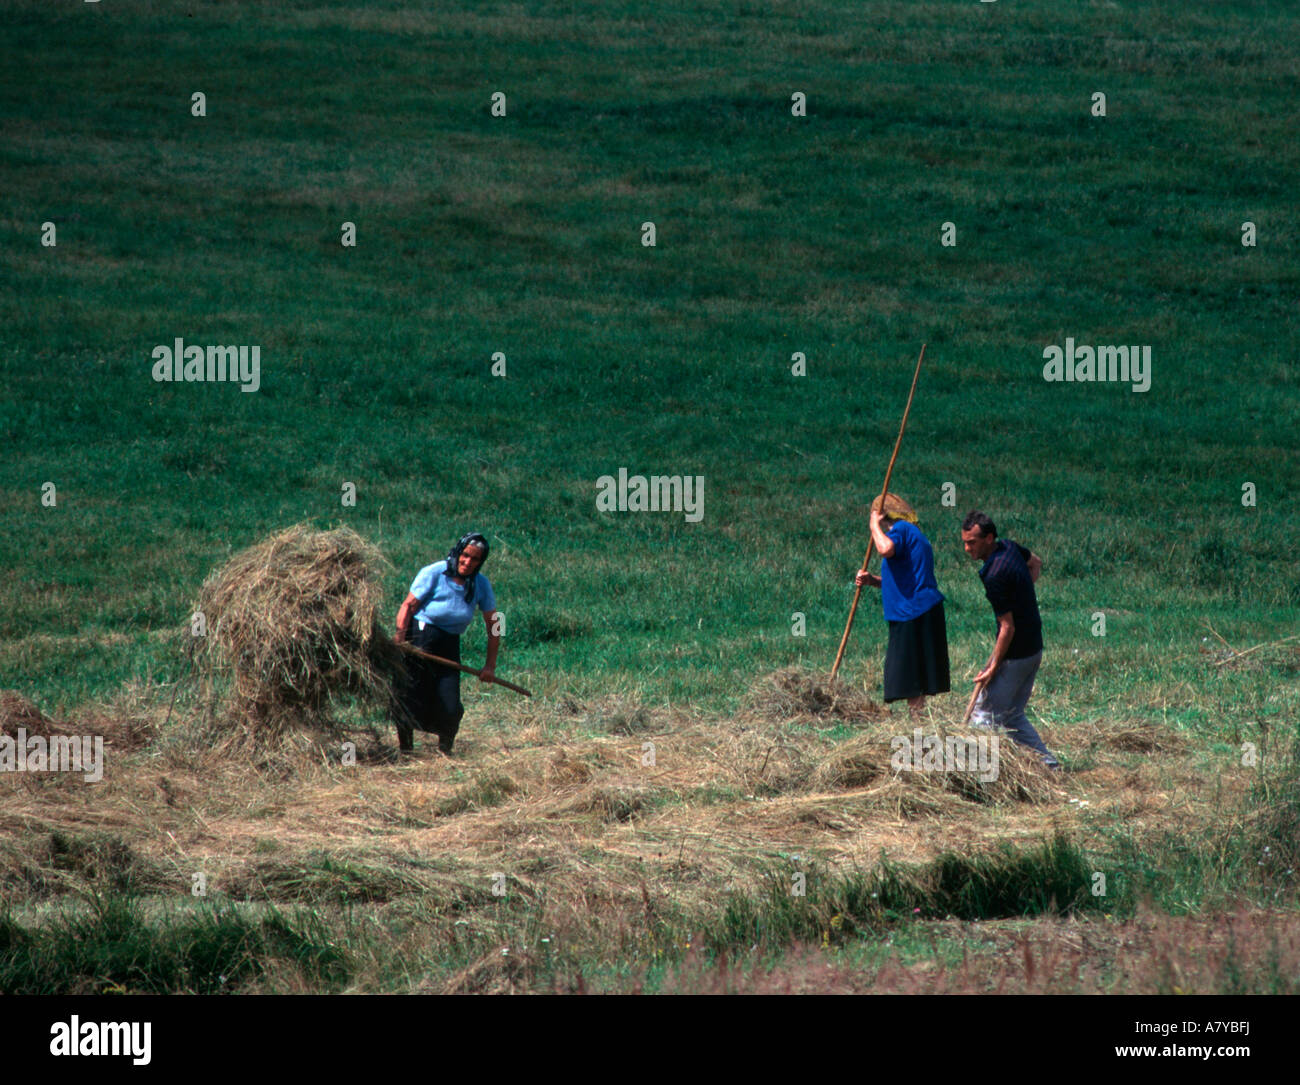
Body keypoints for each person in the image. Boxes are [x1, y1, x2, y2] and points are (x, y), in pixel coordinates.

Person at [959, 510, 1059, 769]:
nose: (967, 548)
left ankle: (977, 775)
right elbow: (1035, 562)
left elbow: (1007, 627)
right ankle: (1049, 765)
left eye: (972, 542)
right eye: (965, 542)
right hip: (1033, 648)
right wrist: (1024, 594)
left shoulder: (994, 575)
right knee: (1013, 716)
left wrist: (993, 667)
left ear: (989, 538)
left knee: (983, 717)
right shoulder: (1010, 548)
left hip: (1015, 654)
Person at [393, 532, 500, 755]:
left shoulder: (480, 584)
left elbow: (494, 624)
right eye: (465, 555)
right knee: (410, 694)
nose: (468, 562)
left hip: (449, 644)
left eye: (475, 559)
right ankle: (406, 750)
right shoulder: (434, 573)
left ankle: (445, 753)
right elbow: (407, 606)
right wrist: (400, 639)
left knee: (450, 703)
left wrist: (490, 666)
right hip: (420, 638)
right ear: (458, 551)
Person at [854, 493, 950, 717]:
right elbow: (906, 577)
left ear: (883, 516)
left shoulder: (902, 530)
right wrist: (872, 581)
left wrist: (873, 526)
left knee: (909, 671)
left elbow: (885, 549)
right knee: (913, 670)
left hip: (912, 611)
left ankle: (917, 721)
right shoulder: (915, 535)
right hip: (919, 608)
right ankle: (918, 717)